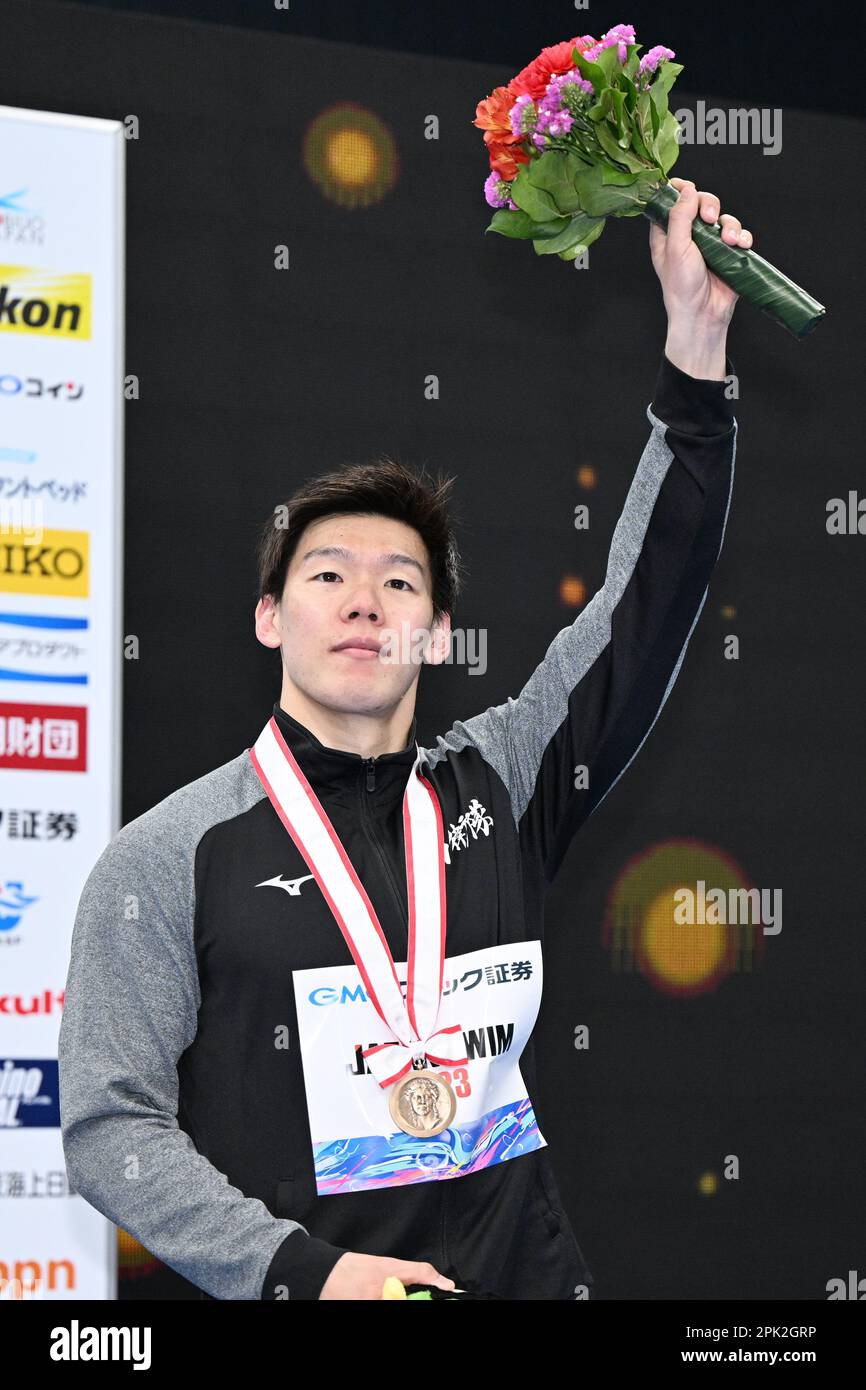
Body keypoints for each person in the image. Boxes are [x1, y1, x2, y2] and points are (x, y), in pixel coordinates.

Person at [58, 178, 747, 1300]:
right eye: (325, 576)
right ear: (269, 619)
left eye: (400, 582)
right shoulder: (167, 857)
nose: (364, 600)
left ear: (433, 633)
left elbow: (644, 603)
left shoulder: (506, 778)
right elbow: (104, 1126)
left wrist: (695, 350)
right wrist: (305, 1275)